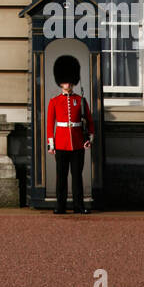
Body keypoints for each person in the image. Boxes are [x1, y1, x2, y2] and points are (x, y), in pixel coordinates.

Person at [46, 54, 94, 214]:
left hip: (78, 142)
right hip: (60, 143)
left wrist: (89, 139)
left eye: (69, 81)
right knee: (61, 177)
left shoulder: (80, 100)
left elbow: (89, 121)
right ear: (60, 82)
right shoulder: (54, 101)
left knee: (77, 177)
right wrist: (51, 144)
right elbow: (50, 124)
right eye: (65, 81)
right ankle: (60, 206)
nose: (68, 84)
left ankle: (78, 206)